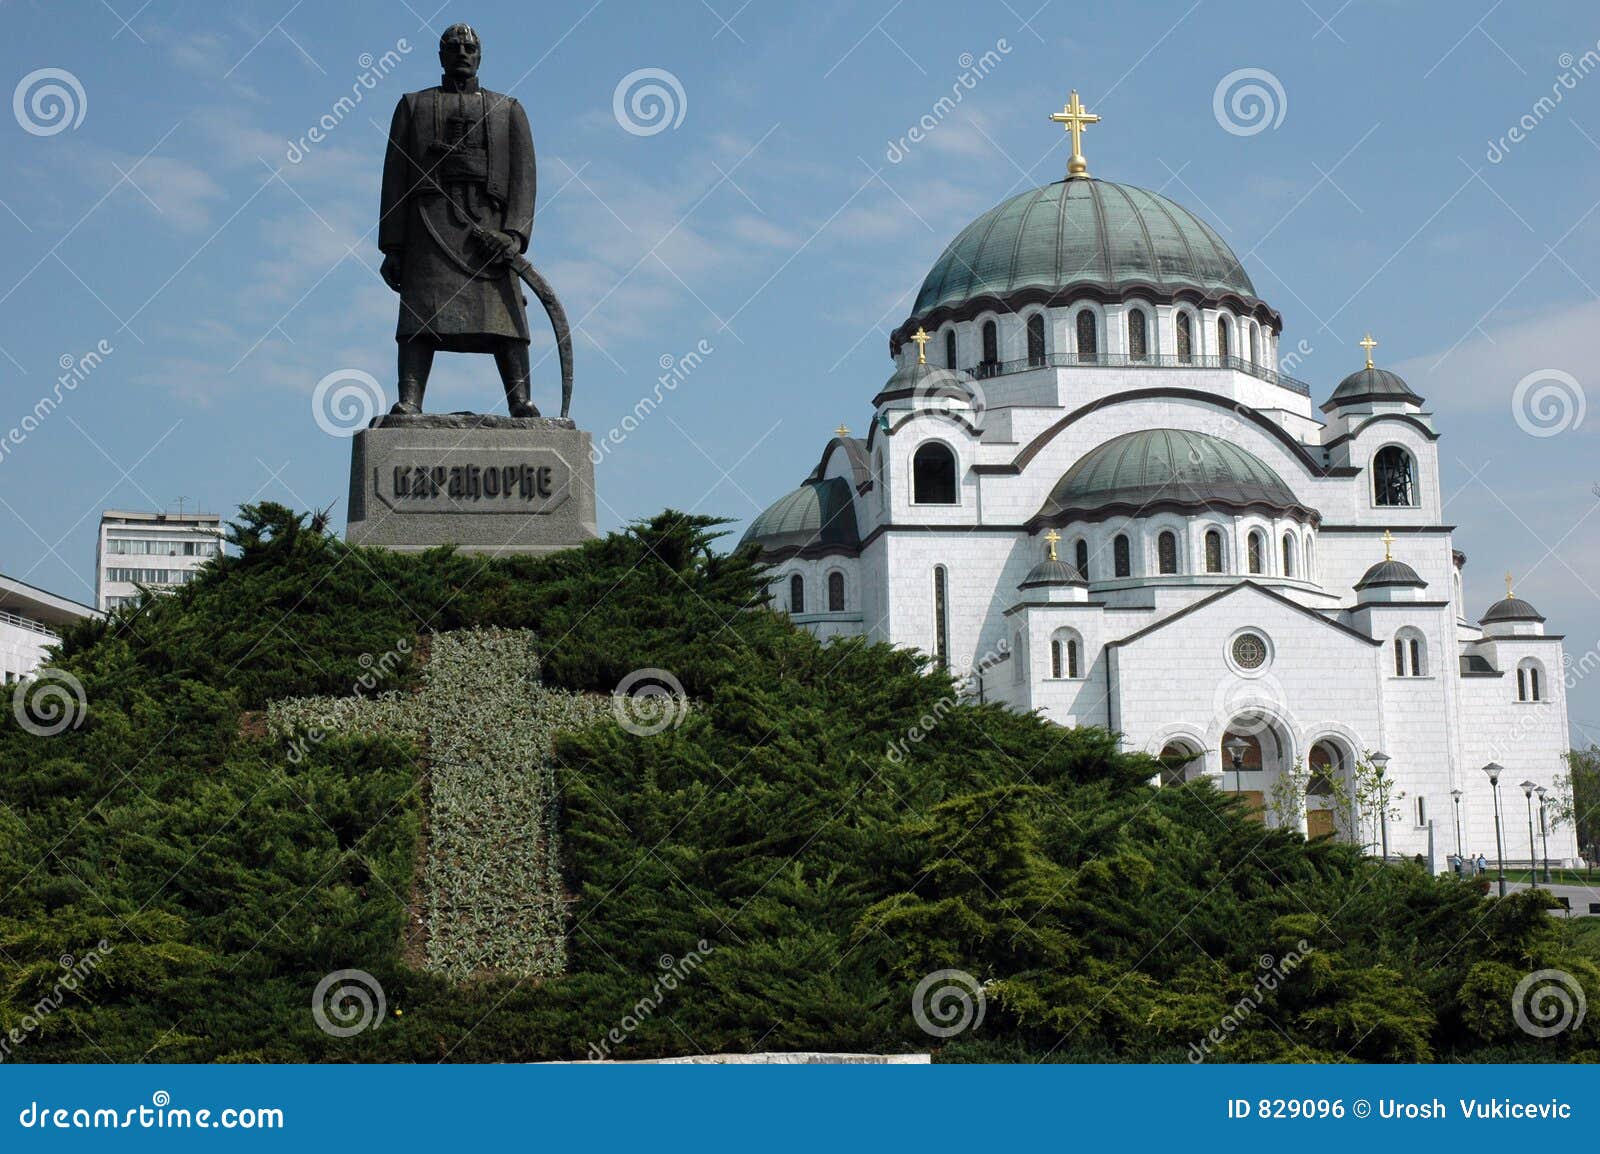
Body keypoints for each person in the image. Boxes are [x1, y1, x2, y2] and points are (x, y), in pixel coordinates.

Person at [379, 23, 539, 417]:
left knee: (507, 318)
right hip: (428, 229)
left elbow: (524, 179)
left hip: (489, 234)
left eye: (469, 48)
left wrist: (513, 235)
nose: (462, 54)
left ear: (480, 56)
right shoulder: (413, 106)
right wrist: (393, 247)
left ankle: (520, 400)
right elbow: (395, 178)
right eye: (454, 47)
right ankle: (410, 399)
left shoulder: (507, 109)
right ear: (441, 56)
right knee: (419, 316)